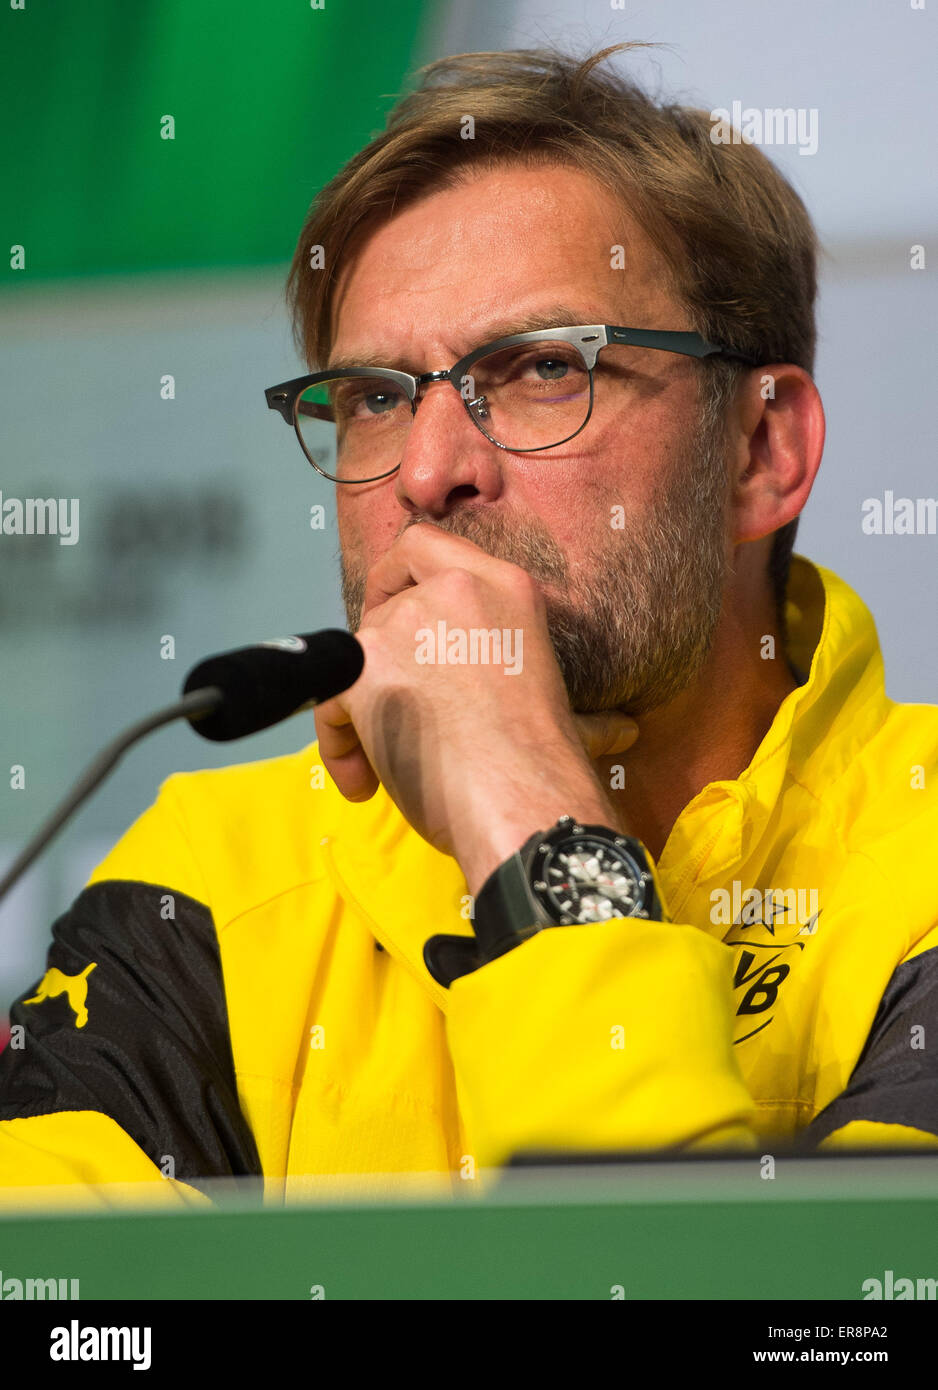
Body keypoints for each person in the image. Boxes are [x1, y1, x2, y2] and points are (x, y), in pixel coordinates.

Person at [1, 44, 936, 1210]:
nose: (428, 471)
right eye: (374, 400)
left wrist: (528, 816)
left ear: (759, 451)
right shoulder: (209, 871)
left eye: (545, 368)